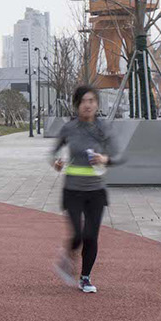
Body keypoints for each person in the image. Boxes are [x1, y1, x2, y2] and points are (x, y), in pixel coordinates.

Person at [50, 85, 113, 294]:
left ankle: (85, 278)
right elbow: (53, 152)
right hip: (73, 189)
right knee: (78, 233)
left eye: (92, 101)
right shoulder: (69, 128)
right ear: (77, 105)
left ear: (97, 104)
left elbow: (120, 155)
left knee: (91, 236)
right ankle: (67, 256)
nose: (88, 105)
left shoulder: (103, 128)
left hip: (96, 191)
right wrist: (56, 163)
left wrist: (105, 158)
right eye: (84, 101)